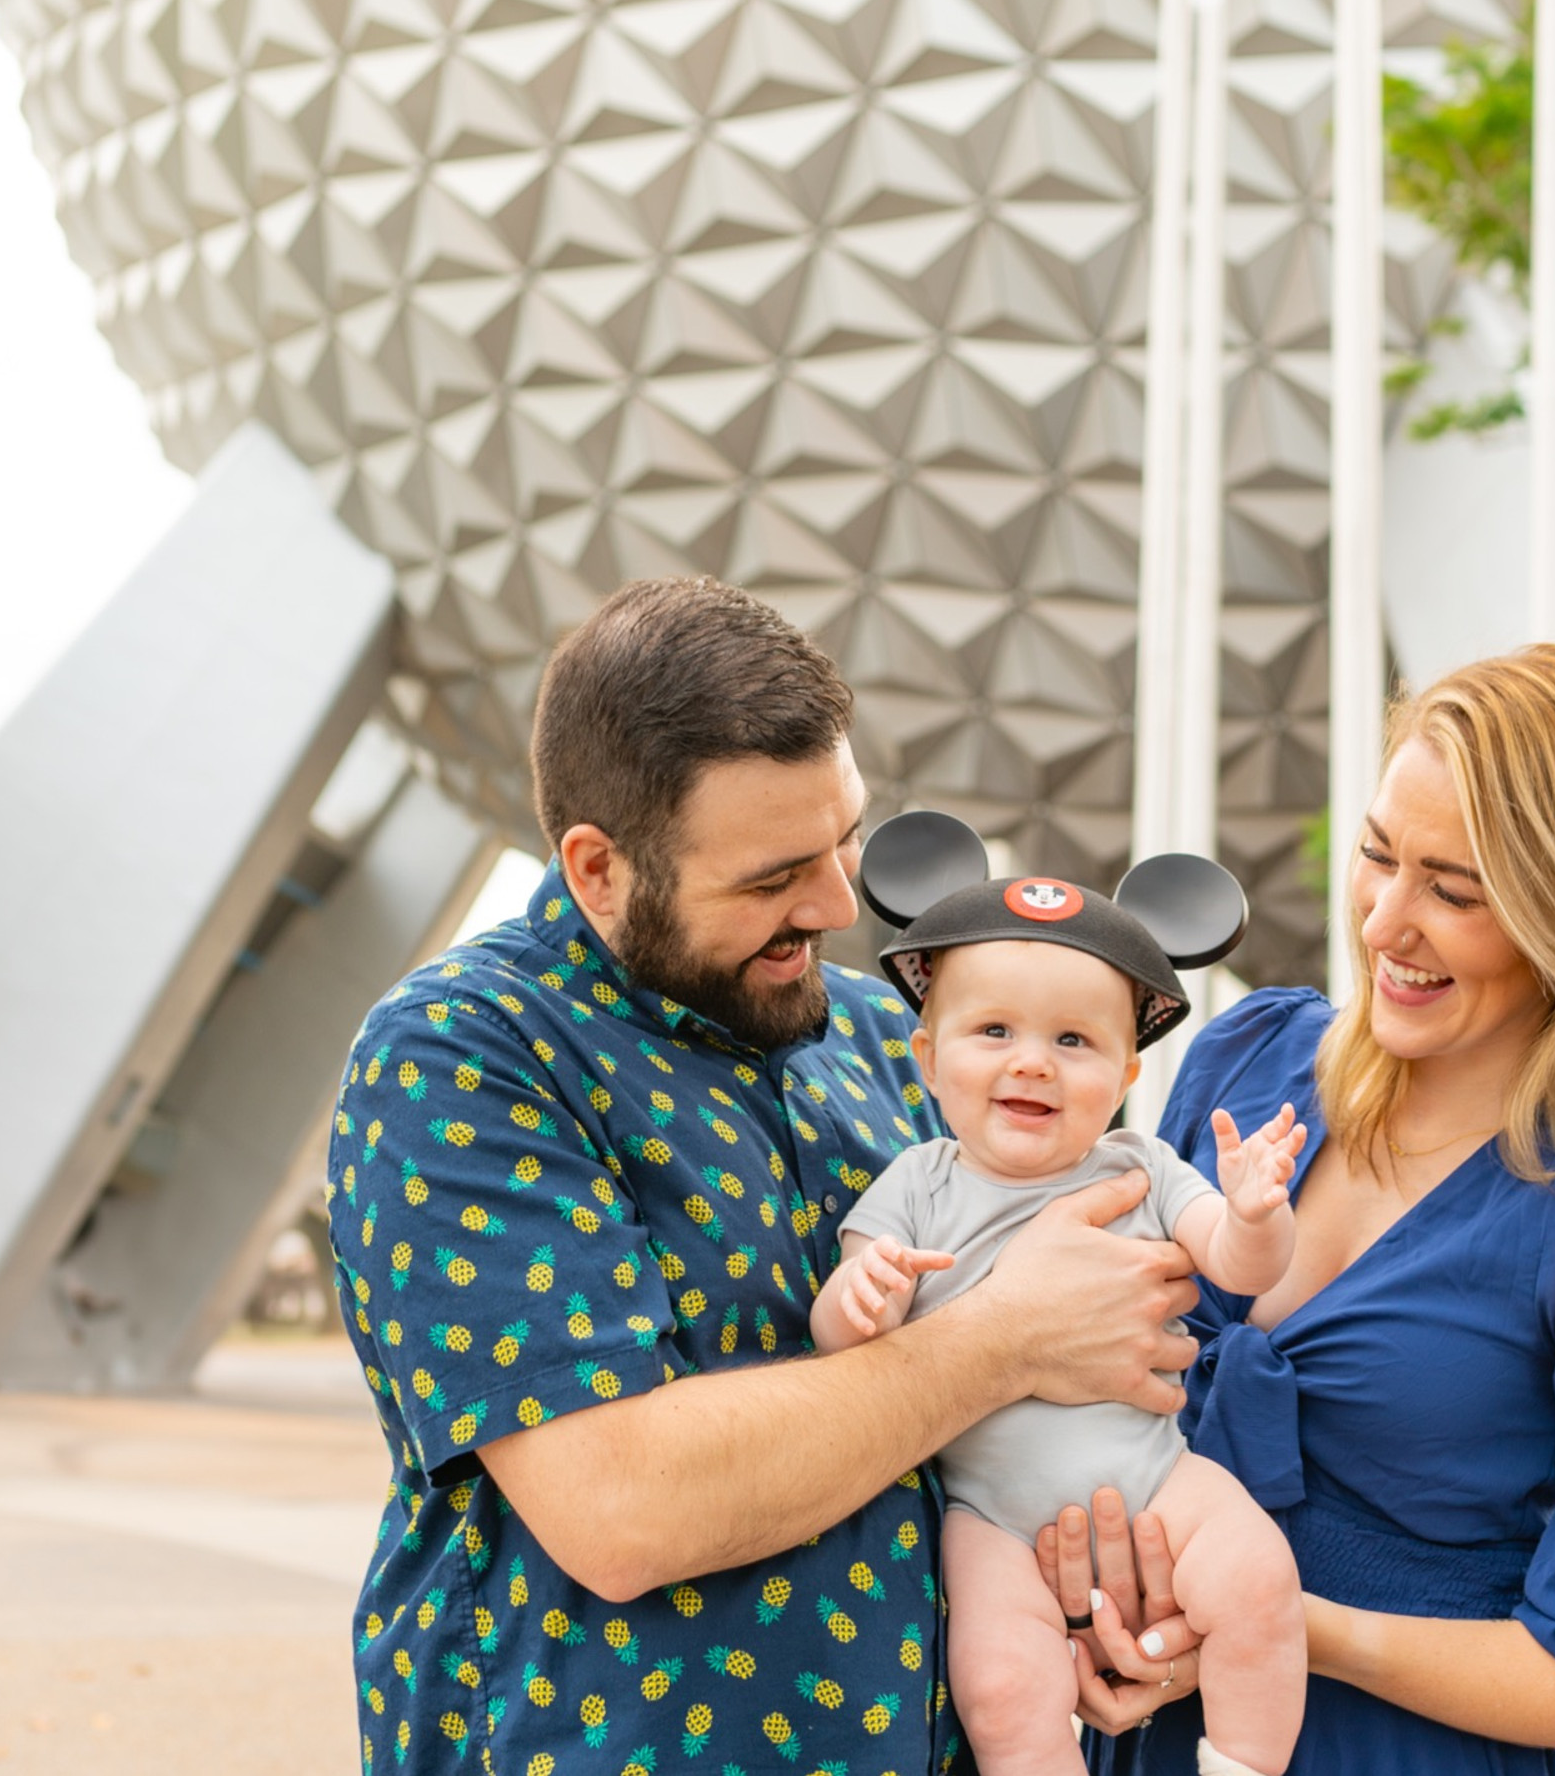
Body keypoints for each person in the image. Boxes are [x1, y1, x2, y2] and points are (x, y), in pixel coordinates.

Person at [324, 578, 1208, 1776]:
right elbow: (621, 1505)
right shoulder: (463, 1051)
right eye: (773, 875)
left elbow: (1027, 1413)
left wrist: (1110, 1600)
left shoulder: (879, 1037)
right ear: (599, 869)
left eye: (846, 838)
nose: (840, 903)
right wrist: (1009, 1336)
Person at [1056, 644, 1555, 1775]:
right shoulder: (1248, 1058)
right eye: (1376, 856)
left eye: (1452, 890)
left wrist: (1277, 1629)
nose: (1384, 923)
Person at [815, 825, 1309, 1776]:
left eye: (1074, 1040)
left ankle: (1243, 1764)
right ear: (926, 1054)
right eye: (994, 1031)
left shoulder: (1144, 1166)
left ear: (1127, 1075)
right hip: (992, 1519)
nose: (1033, 1061)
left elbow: (1239, 1267)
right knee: (1002, 1686)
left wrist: (1253, 1213)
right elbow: (840, 1338)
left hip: (1159, 1481)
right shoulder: (917, 1183)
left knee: (1257, 1586)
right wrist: (861, 1295)